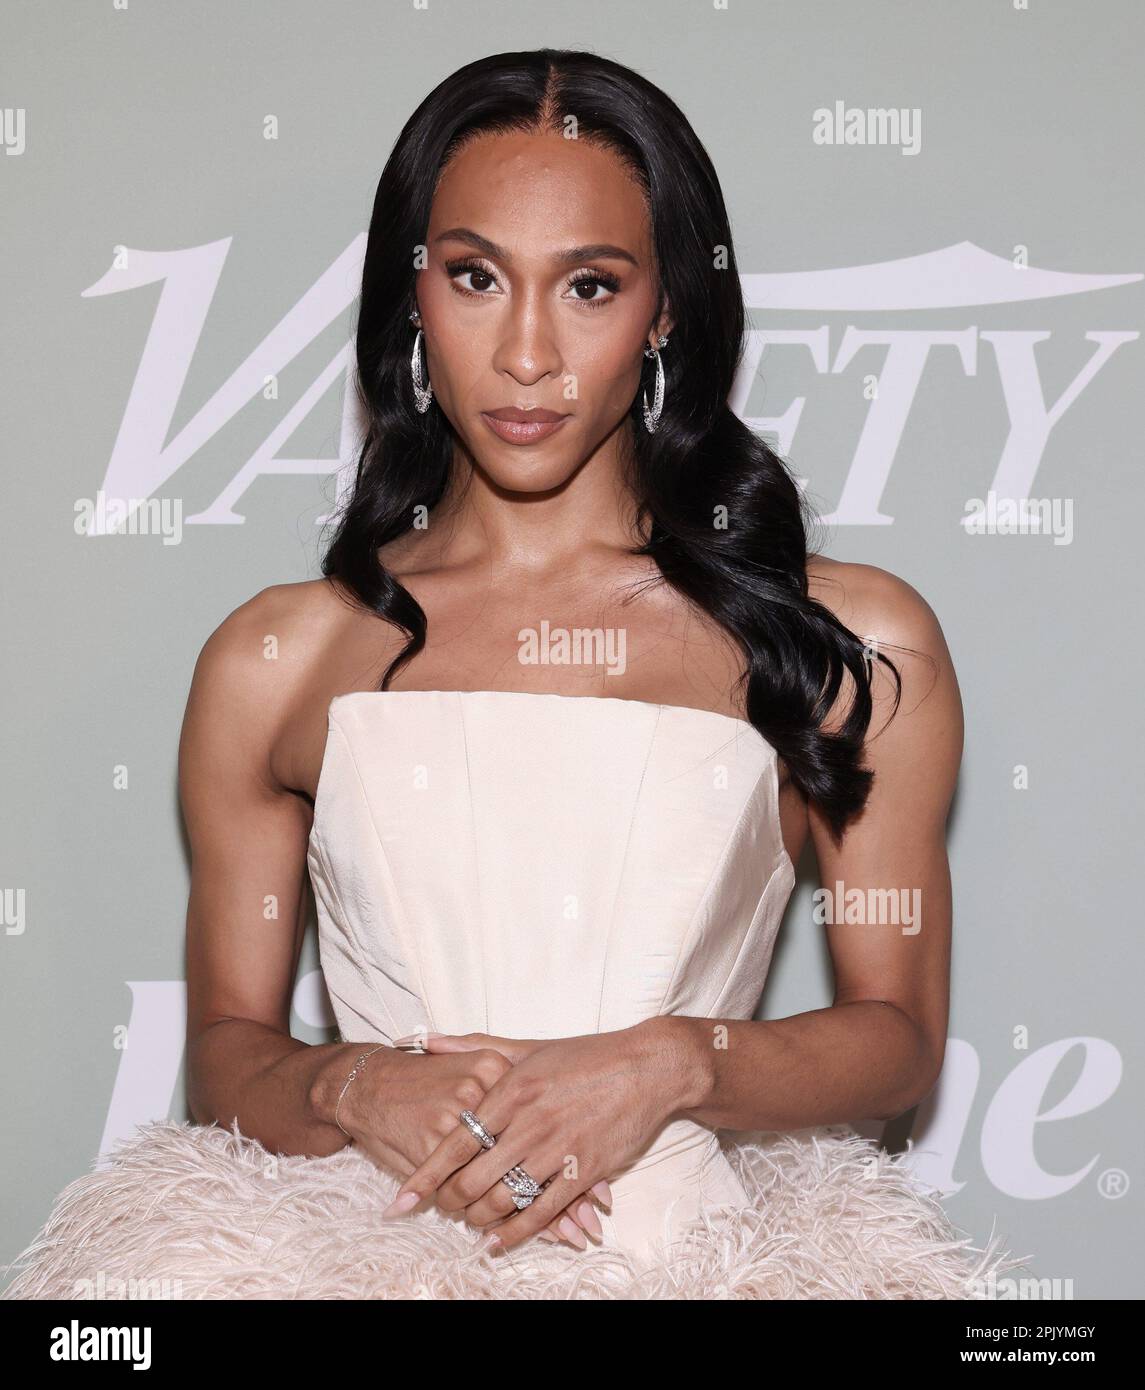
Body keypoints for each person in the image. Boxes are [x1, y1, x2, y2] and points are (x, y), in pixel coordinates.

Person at [3, 47, 1025, 1301]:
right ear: (412, 292)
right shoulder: (278, 657)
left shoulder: (849, 642)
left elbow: (896, 1041)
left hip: (686, 1266)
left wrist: (666, 1063)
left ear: (663, 311)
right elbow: (227, 1053)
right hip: (340, 1255)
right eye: (475, 276)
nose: (527, 353)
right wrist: (351, 1078)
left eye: (588, 286)